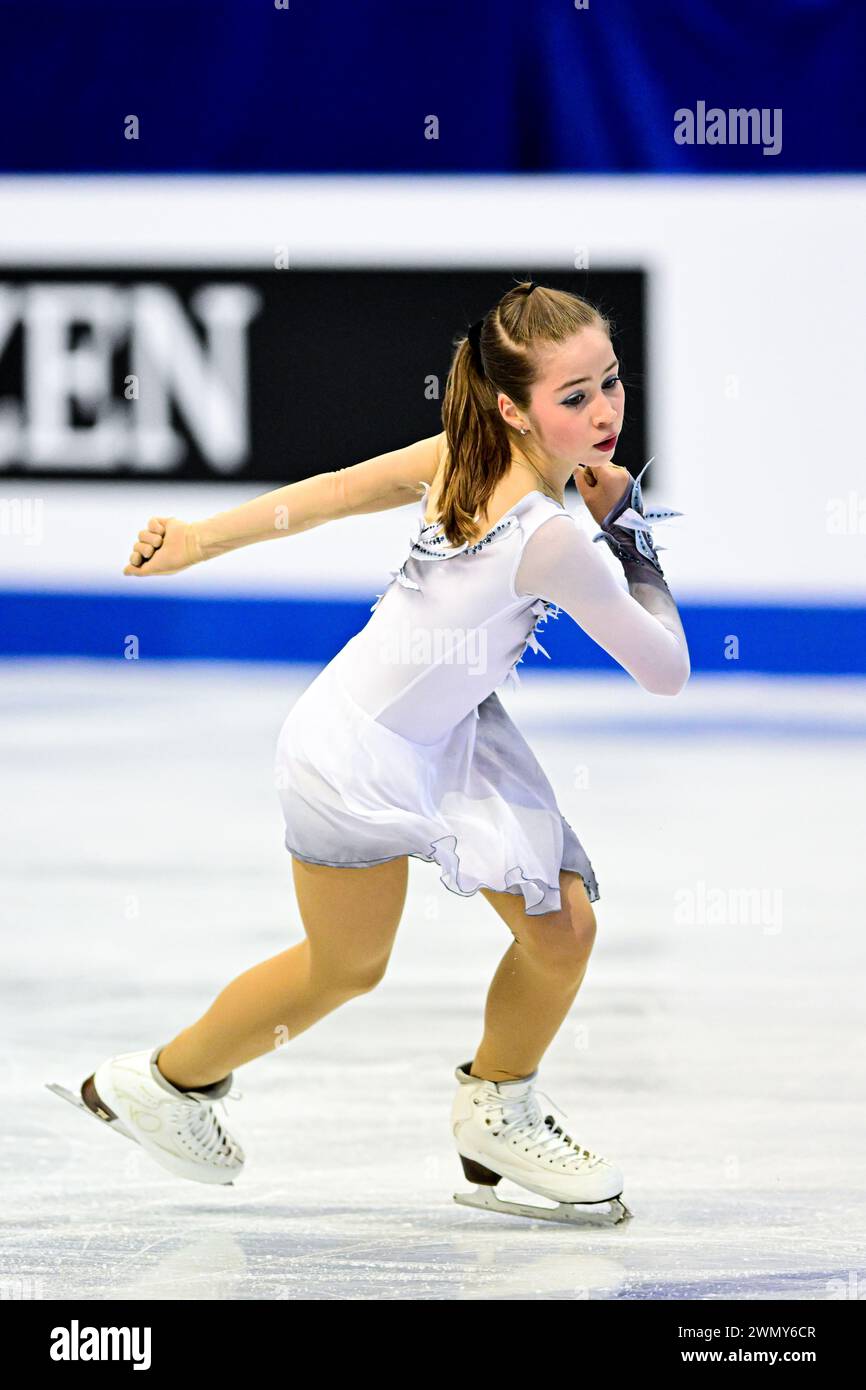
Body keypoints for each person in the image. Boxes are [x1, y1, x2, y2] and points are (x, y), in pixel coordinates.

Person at [53, 281, 689, 1222]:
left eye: (612, 383)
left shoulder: (471, 450)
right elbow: (667, 669)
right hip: (351, 753)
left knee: (561, 927)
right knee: (345, 966)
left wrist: (197, 540)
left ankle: (497, 1105)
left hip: (448, 735)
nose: (604, 413)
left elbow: (330, 496)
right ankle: (162, 1083)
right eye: (575, 396)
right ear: (511, 406)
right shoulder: (553, 536)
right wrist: (632, 537)